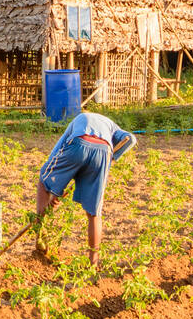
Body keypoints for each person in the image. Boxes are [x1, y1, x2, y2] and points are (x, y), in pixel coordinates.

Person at [34, 110, 136, 267]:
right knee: (94, 213)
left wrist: (55, 189)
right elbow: (131, 139)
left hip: (79, 143)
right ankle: (93, 264)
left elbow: (57, 153)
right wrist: (111, 158)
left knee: (44, 180)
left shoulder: (78, 120)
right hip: (103, 152)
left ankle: (41, 238)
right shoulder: (112, 127)